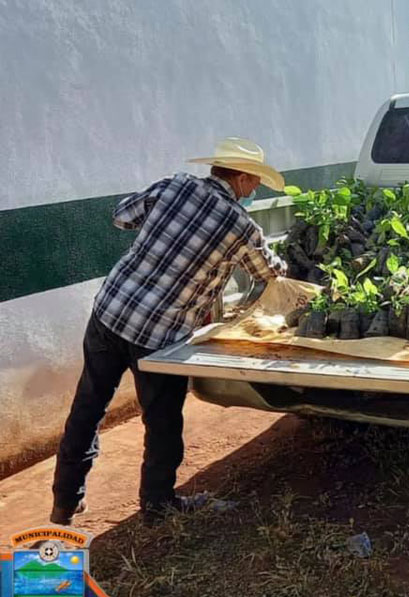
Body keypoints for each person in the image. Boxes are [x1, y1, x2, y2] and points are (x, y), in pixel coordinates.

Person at [50, 137, 287, 526]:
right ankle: (157, 505)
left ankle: (64, 504)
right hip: (157, 337)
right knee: (162, 423)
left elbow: (122, 216)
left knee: (88, 408)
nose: (256, 187)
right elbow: (269, 272)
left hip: (111, 312)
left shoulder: (174, 184)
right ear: (242, 178)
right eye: (255, 180)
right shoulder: (240, 226)